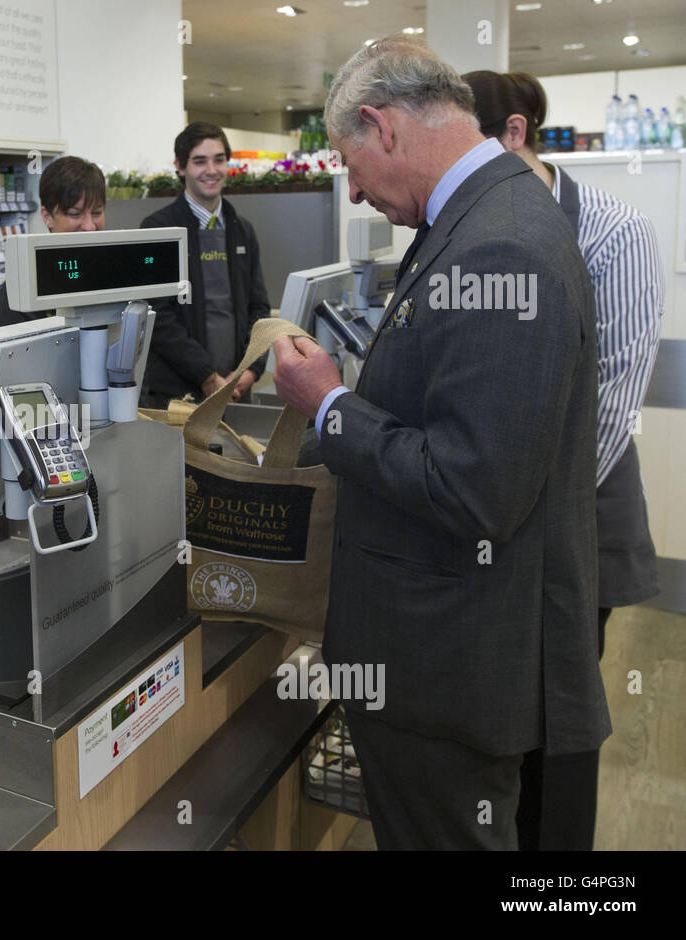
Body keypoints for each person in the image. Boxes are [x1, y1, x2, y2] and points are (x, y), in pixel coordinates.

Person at [272, 38, 611, 850]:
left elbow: (473, 488)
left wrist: (332, 407)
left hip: (444, 665)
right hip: (452, 653)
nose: (352, 189)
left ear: (382, 127)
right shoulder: (482, 214)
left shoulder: (499, 243)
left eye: (350, 163)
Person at [464, 69, 664, 851]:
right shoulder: (475, 226)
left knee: (563, 714)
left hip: (581, 516)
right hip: (503, 523)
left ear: (514, 134)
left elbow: (613, 403)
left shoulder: (613, 230)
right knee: (509, 711)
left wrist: (534, 506)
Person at [139, 122, 271, 407]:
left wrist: (252, 369)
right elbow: (158, 316)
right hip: (178, 397)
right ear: (180, 166)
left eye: (219, 160)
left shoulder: (242, 231)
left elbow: (258, 308)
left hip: (235, 390)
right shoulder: (158, 230)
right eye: (200, 161)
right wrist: (207, 376)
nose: (211, 170)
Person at [0, 155, 106, 327]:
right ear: (47, 216)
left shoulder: (111, 271)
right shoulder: (24, 287)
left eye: (96, 213)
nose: (90, 226)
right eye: (75, 213)